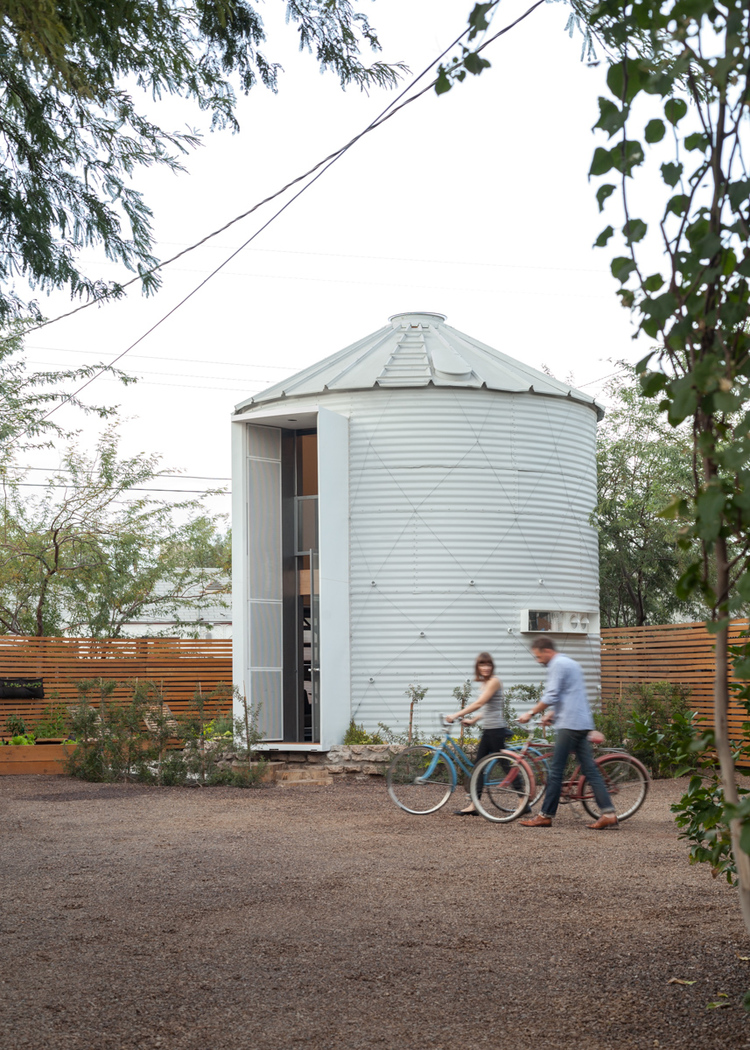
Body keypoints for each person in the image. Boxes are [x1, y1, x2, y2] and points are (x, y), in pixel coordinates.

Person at [517, 636, 618, 831]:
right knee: (590, 770)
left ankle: (545, 815)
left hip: (569, 724)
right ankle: (608, 813)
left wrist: (530, 713)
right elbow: (570, 695)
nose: (538, 661)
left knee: (555, 771)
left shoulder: (557, 664)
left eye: (538, 656)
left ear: (546, 651)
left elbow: (552, 694)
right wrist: (552, 713)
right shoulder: (571, 663)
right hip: (581, 723)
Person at [446, 652, 508, 816]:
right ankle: (474, 805)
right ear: (478, 667)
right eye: (482, 665)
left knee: (506, 765)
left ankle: (524, 803)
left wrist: (455, 715)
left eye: (488, 665)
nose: (485, 668)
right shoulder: (486, 683)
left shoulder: (494, 681)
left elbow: (480, 703)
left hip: (496, 730)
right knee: (478, 767)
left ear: (492, 666)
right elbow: (489, 708)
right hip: (489, 729)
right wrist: (473, 720)